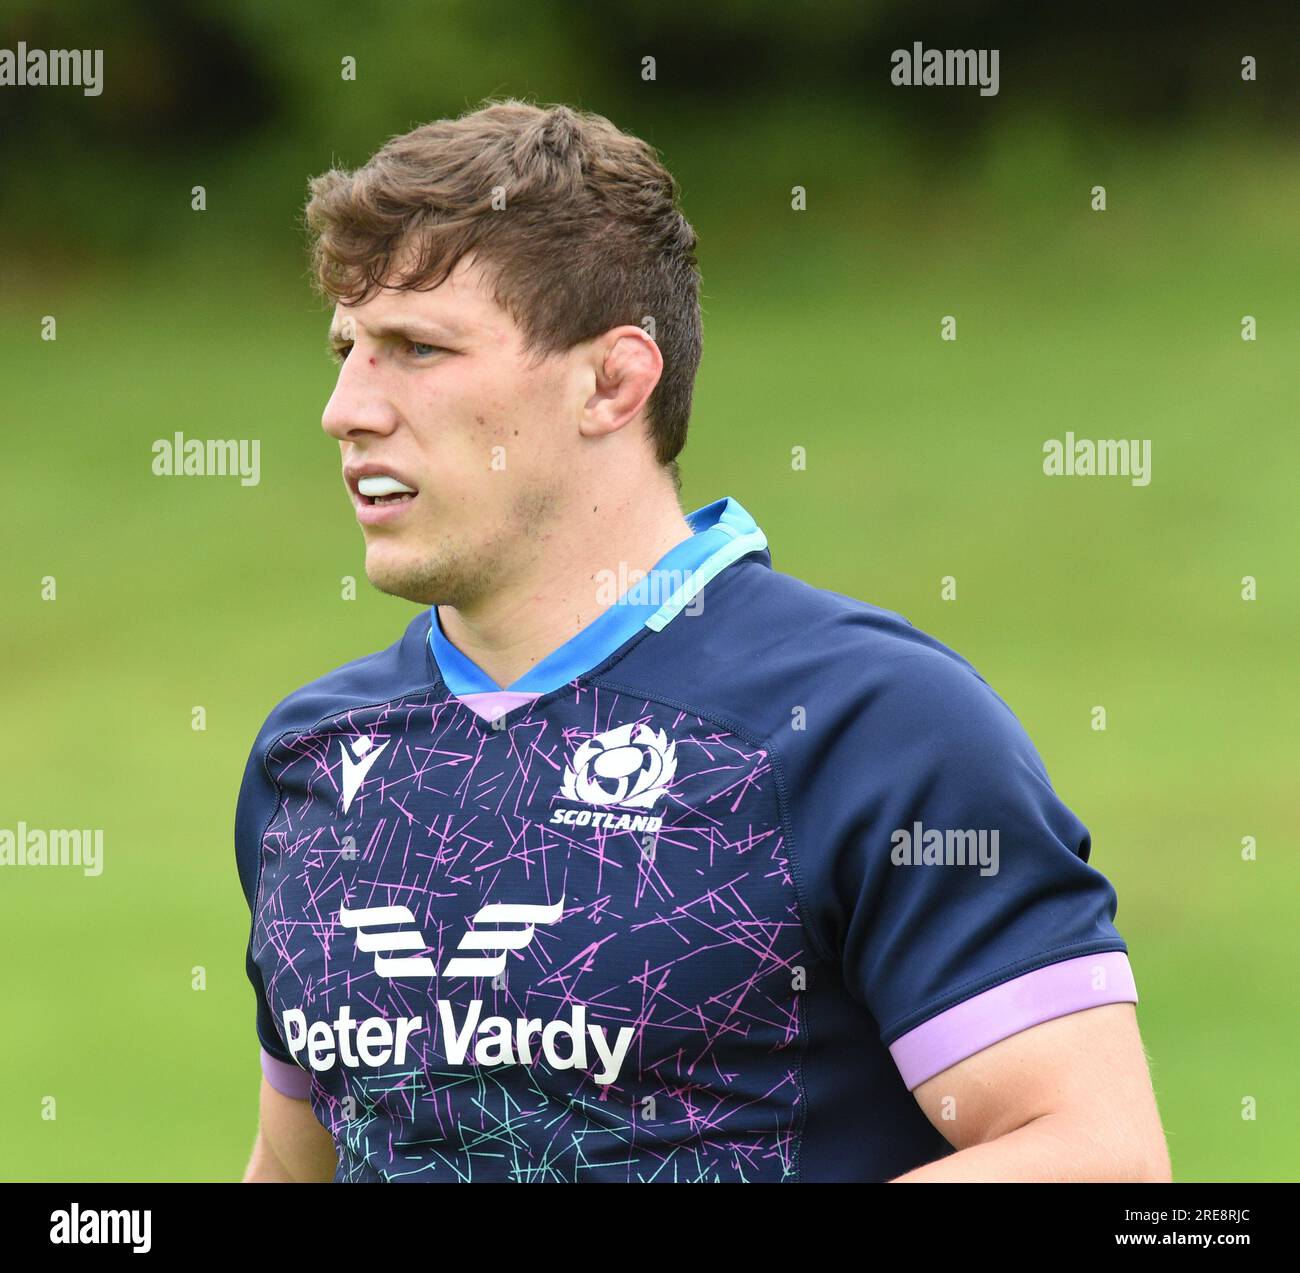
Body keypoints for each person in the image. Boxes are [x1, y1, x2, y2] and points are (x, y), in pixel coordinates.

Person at [237, 99, 1170, 1183]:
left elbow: (1094, 1158)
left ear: (613, 382)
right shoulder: (313, 756)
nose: (345, 407)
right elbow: (295, 1163)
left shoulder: (873, 726)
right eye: (347, 349)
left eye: (416, 348)